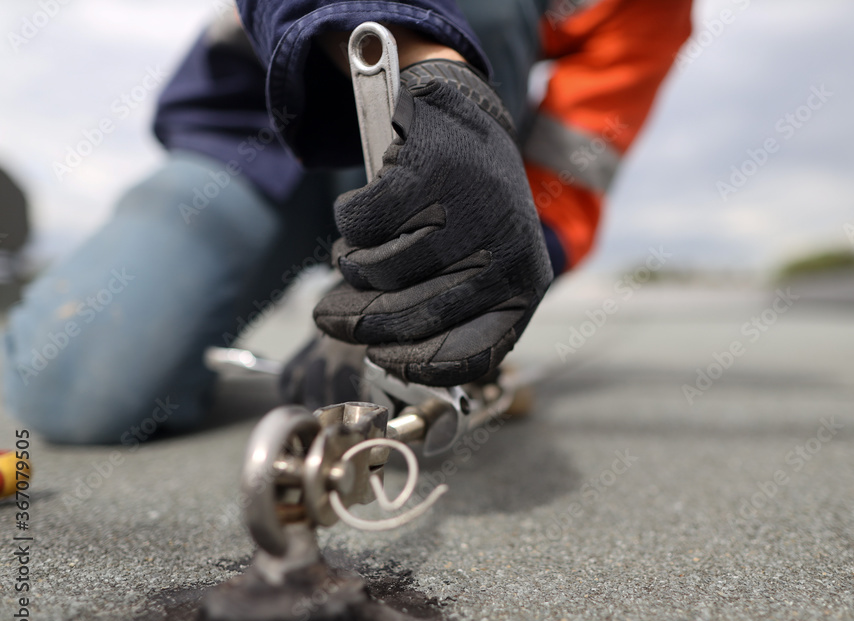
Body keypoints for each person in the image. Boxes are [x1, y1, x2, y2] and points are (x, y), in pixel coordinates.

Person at [3, 0, 692, 444]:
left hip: (453, 176)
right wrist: (426, 71)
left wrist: (476, 277)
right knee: (69, 386)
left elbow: (566, 175)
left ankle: (403, 307)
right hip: (259, 139)